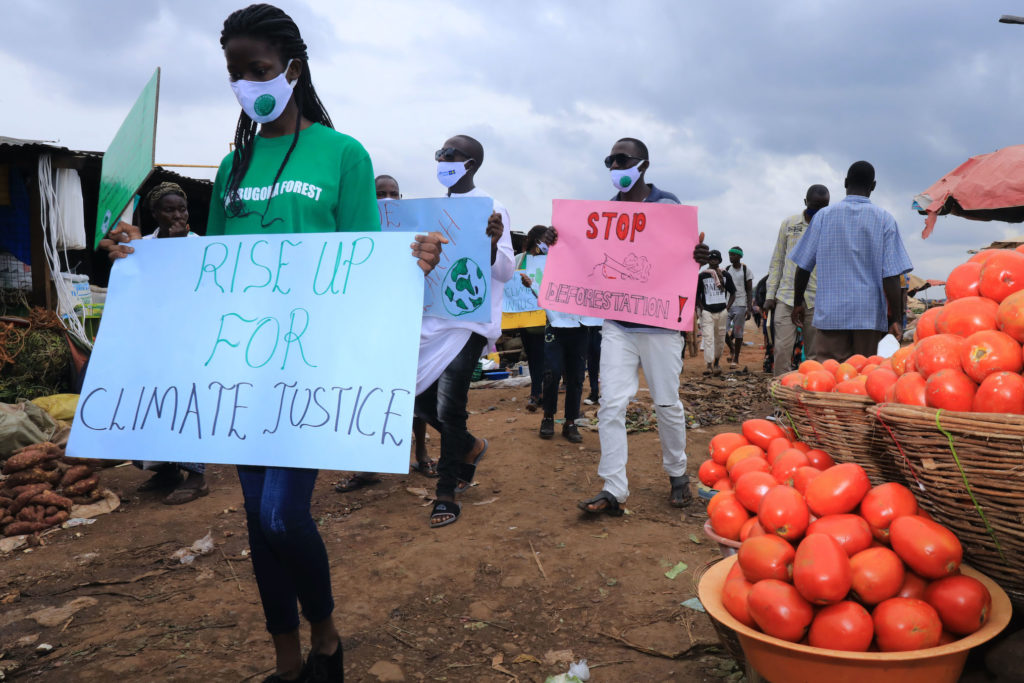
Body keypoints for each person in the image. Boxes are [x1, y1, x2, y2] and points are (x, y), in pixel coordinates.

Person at [101, 6, 444, 681]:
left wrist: (411, 259)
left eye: (257, 70)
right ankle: (287, 659)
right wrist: (146, 259)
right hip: (245, 368)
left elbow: (362, 259)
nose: (246, 85)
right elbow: (216, 274)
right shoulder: (234, 167)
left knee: (284, 515)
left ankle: (326, 637)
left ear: (293, 68)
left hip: (314, 370)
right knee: (258, 520)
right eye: (234, 74)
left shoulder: (344, 155)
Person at [578, 137, 695, 517]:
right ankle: (614, 487)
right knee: (610, 404)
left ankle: (677, 473)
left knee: (666, 403)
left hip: (660, 326)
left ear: (643, 165)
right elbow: (583, 254)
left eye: (622, 159)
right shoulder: (605, 215)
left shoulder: (667, 205)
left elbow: (681, 255)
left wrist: (697, 257)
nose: (615, 167)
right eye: (610, 160)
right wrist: (556, 241)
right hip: (617, 325)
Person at [415, 134, 514, 529]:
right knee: (418, 398)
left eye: (449, 154)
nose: (441, 159)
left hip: (468, 322)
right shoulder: (431, 209)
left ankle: (446, 490)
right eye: (439, 153)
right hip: (430, 321)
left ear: (470, 163)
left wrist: (490, 243)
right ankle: (469, 446)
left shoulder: (492, 208)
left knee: (449, 406)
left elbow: (505, 272)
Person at [336, 174, 438, 492]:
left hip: (407, 317)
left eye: (394, 193)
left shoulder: (414, 232)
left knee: (415, 389)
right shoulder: (357, 228)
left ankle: (421, 452)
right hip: (368, 320)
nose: (388, 199)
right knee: (369, 390)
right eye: (381, 193)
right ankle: (369, 464)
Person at [132, 182, 207, 505]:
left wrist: (178, 246)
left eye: (182, 209)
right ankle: (165, 470)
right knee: (152, 401)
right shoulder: (143, 245)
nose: (178, 215)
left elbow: (197, 285)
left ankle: (197, 475)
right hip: (152, 336)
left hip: (188, 336)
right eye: (169, 209)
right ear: (154, 214)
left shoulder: (196, 243)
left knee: (186, 400)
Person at [790, 162, 912, 361]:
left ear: (845, 182)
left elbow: (803, 266)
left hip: (831, 314)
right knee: (863, 375)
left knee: (829, 376)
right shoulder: (885, 219)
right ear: (873, 186)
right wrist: (897, 319)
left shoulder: (823, 217)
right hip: (869, 316)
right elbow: (891, 275)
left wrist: (797, 303)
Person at [764, 185, 829, 375]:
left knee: (814, 355)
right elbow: (777, 260)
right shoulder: (789, 224)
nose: (818, 211)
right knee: (782, 349)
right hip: (786, 296)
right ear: (805, 202)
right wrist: (770, 295)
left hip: (816, 299)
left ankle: (809, 397)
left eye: (823, 207)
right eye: (814, 206)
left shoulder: (829, 226)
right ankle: (781, 398)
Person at [516, 225, 552, 412]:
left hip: (544, 317)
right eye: (543, 241)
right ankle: (538, 392)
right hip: (524, 318)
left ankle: (537, 393)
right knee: (533, 357)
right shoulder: (519, 260)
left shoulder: (551, 261)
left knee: (542, 357)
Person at [696, 250, 736, 375]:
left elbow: (733, 293)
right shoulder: (702, 276)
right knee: (708, 338)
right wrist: (702, 308)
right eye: (711, 259)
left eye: (716, 259)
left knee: (720, 337)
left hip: (722, 311)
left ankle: (717, 362)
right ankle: (708, 365)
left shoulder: (725, 275)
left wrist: (727, 308)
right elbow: (696, 294)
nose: (713, 261)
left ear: (719, 261)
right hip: (707, 312)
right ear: (708, 261)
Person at [724, 246, 753, 367]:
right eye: (730, 254)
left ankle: (736, 358)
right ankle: (732, 348)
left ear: (740, 256)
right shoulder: (726, 270)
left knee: (737, 332)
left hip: (741, 304)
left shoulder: (746, 270)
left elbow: (749, 290)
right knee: (722, 330)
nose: (731, 257)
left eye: (734, 255)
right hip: (727, 305)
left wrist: (749, 308)